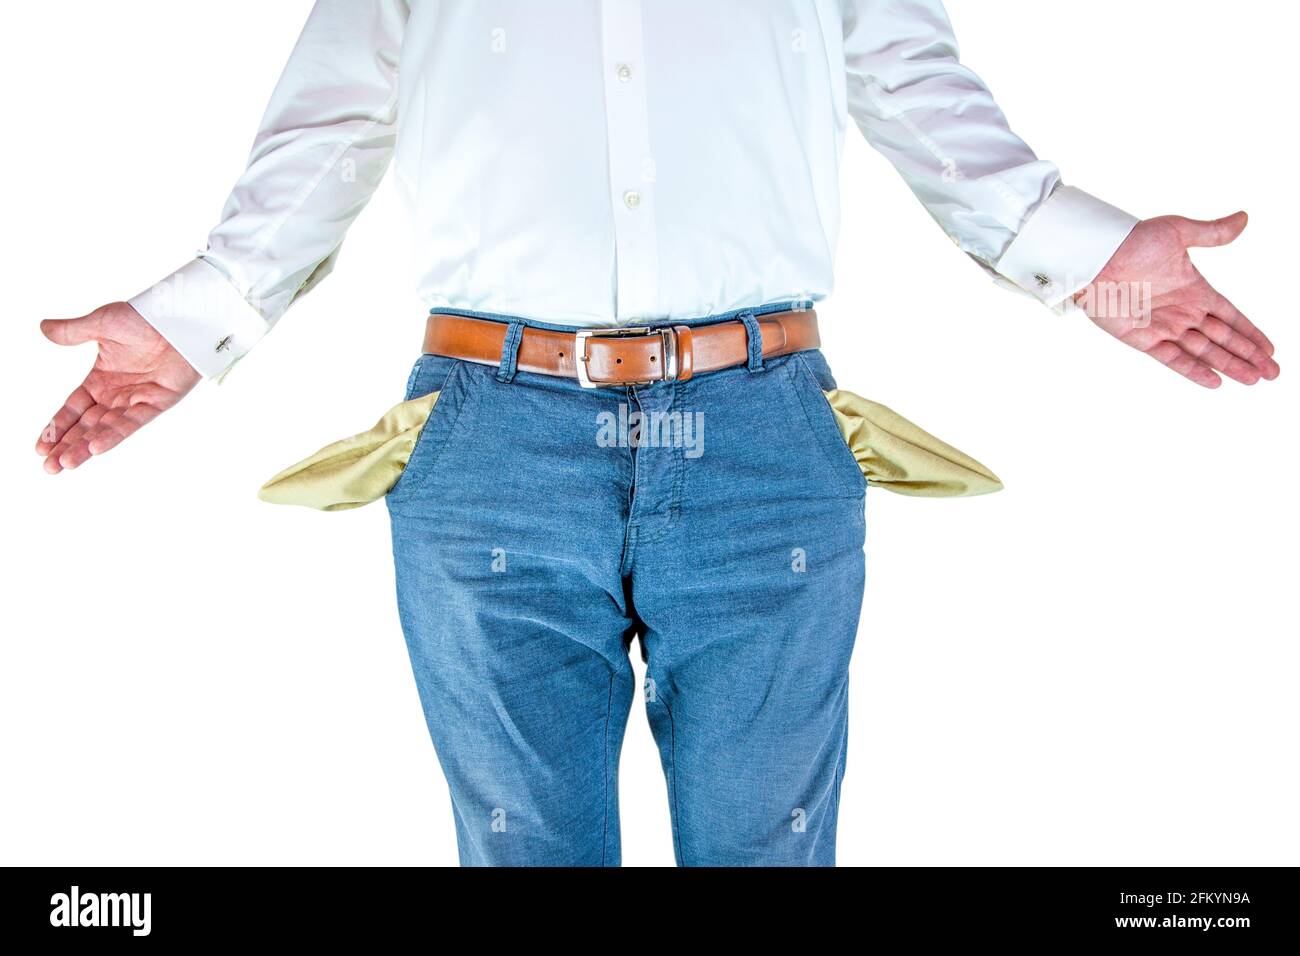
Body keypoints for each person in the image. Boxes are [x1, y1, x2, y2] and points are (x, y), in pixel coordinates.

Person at [33, 1, 1278, 866]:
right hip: (492, 440)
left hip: (760, 438)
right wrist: (195, 322)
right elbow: (332, 125)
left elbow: (914, 85)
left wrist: (1101, 264)